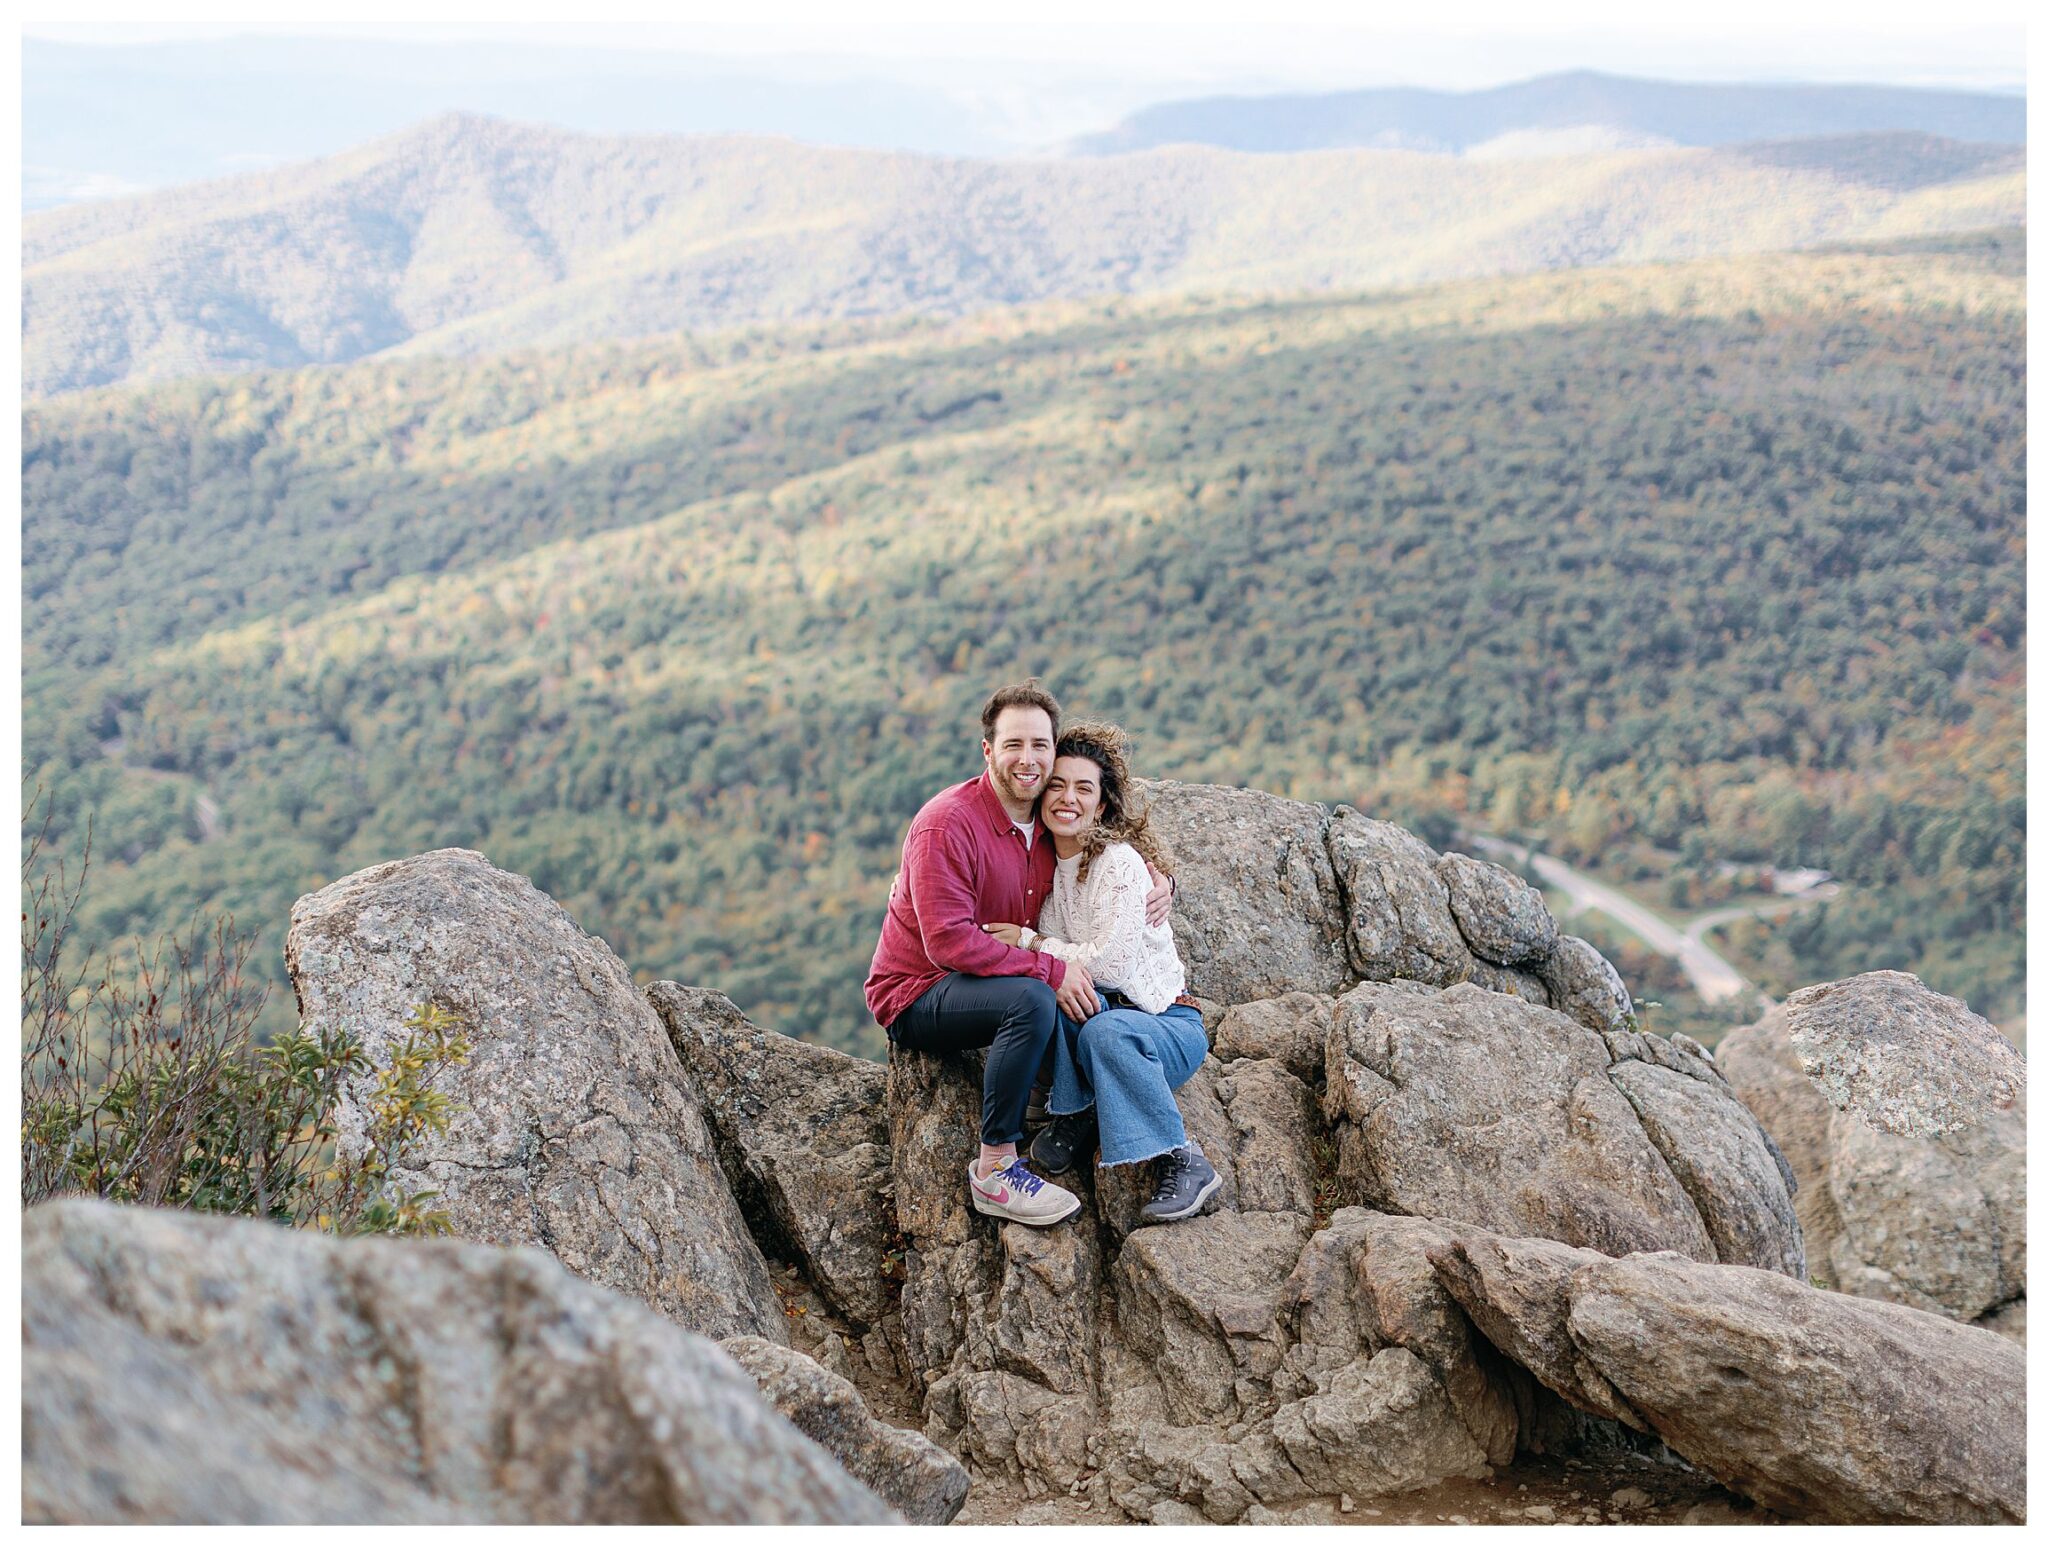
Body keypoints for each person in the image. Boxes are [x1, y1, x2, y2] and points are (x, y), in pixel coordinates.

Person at [865, 682, 1172, 1227]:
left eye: (1039, 745)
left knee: (1052, 995)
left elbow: (1111, 842)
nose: (1027, 760)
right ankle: (995, 1170)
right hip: (920, 990)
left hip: (984, 982)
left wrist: (1163, 879)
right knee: (1032, 997)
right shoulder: (946, 824)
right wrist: (1049, 968)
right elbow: (948, 942)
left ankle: (1055, 1095)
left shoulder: (1048, 824)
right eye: (1013, 745)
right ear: (988, 750)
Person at [982, 721, 1220, 1224]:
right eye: (1058, 785)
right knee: (1046, 997)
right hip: (1102, 1017)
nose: (1068, 798)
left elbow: (1110, 964)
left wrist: (1033, 942)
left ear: (1102, 804)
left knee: (1102, 1027)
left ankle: (1183, 1158)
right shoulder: (1044, 869)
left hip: (1164, 1025)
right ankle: (1079, 1110)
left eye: (1083, 788)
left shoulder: (1120, 865)